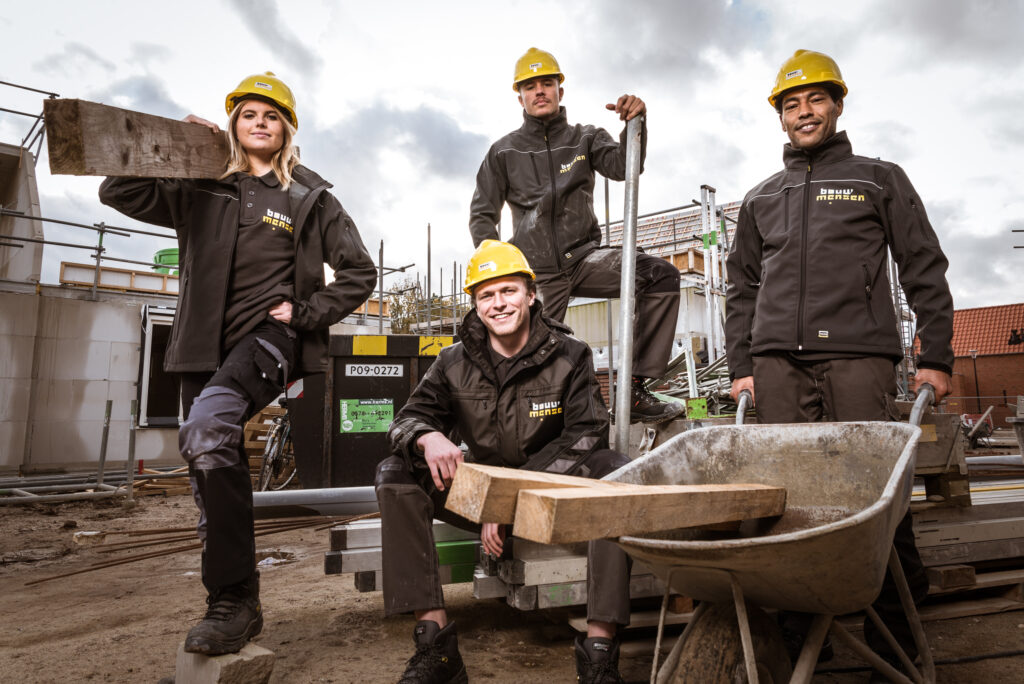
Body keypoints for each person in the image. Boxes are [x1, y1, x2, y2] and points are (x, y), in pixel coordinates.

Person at [99, 72, 377, 655]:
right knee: (207, 461)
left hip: (268, 339)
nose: (259, 122)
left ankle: (232, 597)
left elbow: (358, 273)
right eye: (248, 113)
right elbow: (117, 193)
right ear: (233, 123)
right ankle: (234, 604)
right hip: (199, 346)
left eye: (271, 116)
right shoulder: (202, 182)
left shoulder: (308, 195)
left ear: (286, 129)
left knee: (206, 428)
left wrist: (302, 313)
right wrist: (174, 146)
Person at [724, 50, 954, 677]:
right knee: (786, 499)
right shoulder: (760, 197)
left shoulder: (878, 179)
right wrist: (742, 362)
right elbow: (741, 287)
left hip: (858, 356)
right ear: (780, 116)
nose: (805, 112)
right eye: (791, 104)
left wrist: (936, 355)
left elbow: (924, 267)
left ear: (838, 104)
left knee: (876, 494)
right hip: (776, 364)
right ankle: (805, 635)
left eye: (815, 100)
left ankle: (896, 638)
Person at [376, 240, 632, 684]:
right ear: (476, 306)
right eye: (486, 295)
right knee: (395, 471)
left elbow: (587, 434)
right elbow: (405, 421)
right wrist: (428, 435)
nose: (498, 304)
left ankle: (600, 652)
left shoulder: (570, 355)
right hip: (480, 500)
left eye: (508, 291)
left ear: (531, 294)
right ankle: (436, 648)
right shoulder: (453, 362)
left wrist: (509, 499)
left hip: (554, 496)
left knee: (615, 469)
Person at [469, 47, 684, 425]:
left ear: (560, 91)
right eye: (530, 86)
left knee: (661, 276)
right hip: (536, 272)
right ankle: (505, 421)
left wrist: (636, 122)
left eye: (547, 83)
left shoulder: (585, 138)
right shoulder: (504, 151)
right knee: (526, 351)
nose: (540, 91)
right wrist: (501, 274)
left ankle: (633, 388)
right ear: (519, 95)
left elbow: (623, 167)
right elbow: (483, 215)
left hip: (585, 258)